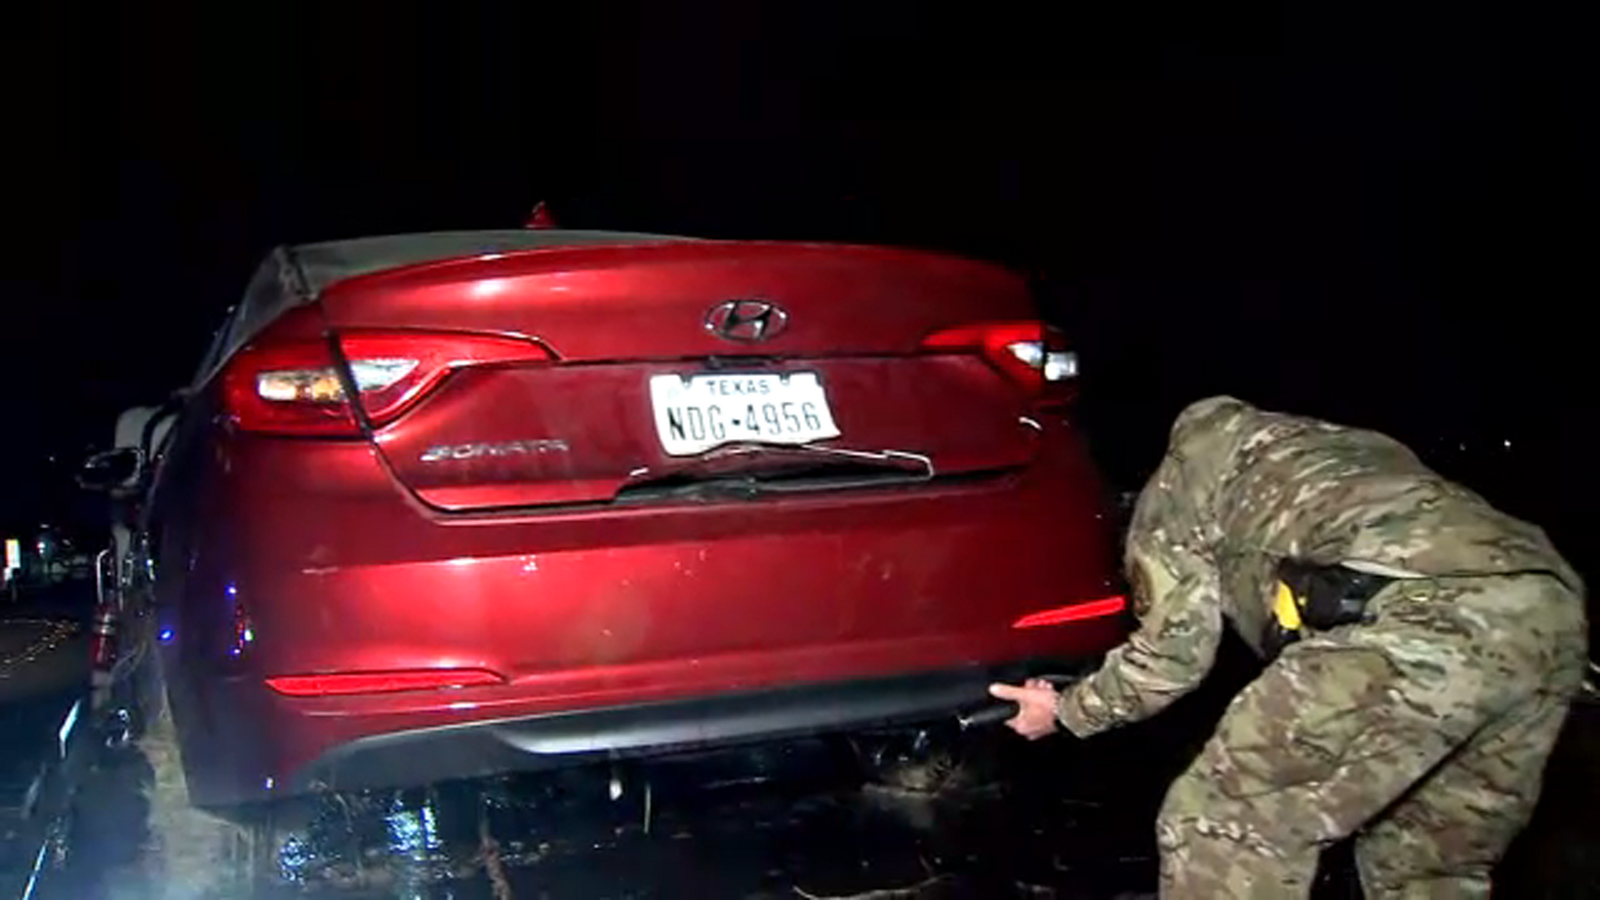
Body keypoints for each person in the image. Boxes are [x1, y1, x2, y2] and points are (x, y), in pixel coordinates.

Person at [989, 396, 1588, 898]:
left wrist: (1067, 711)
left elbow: (1172, 658)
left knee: (1230, 825)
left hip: (1415, 623)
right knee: (1428, 868)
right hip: (1549, 616)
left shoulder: (1182, 482)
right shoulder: (1331, 446)